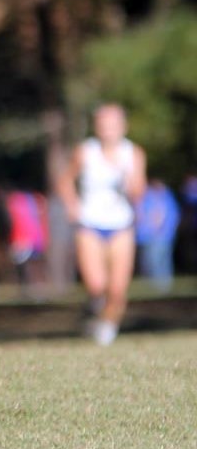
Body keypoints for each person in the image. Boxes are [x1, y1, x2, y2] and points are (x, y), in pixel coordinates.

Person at [58, 104, 146, 346]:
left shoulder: (133, 153)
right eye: (103, 125)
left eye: (113, 125)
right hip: (90, 223)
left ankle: (106, 328)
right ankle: (95, 309)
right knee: (97, 286)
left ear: (123, 127)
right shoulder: (86, 151)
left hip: (121, 224)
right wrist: (72, 205)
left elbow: (139, 192)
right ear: (97, 128)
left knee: (117, 290)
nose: (108, 130)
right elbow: (65, 181)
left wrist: (129, 179)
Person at [135, 178, 179, 292]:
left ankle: (160, 290)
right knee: (150, 262)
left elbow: (168, 217)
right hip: (151, 237)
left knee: (158, 262)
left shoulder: (165, 197)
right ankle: (155, 289)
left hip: (161, 237)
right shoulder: (148, 197)